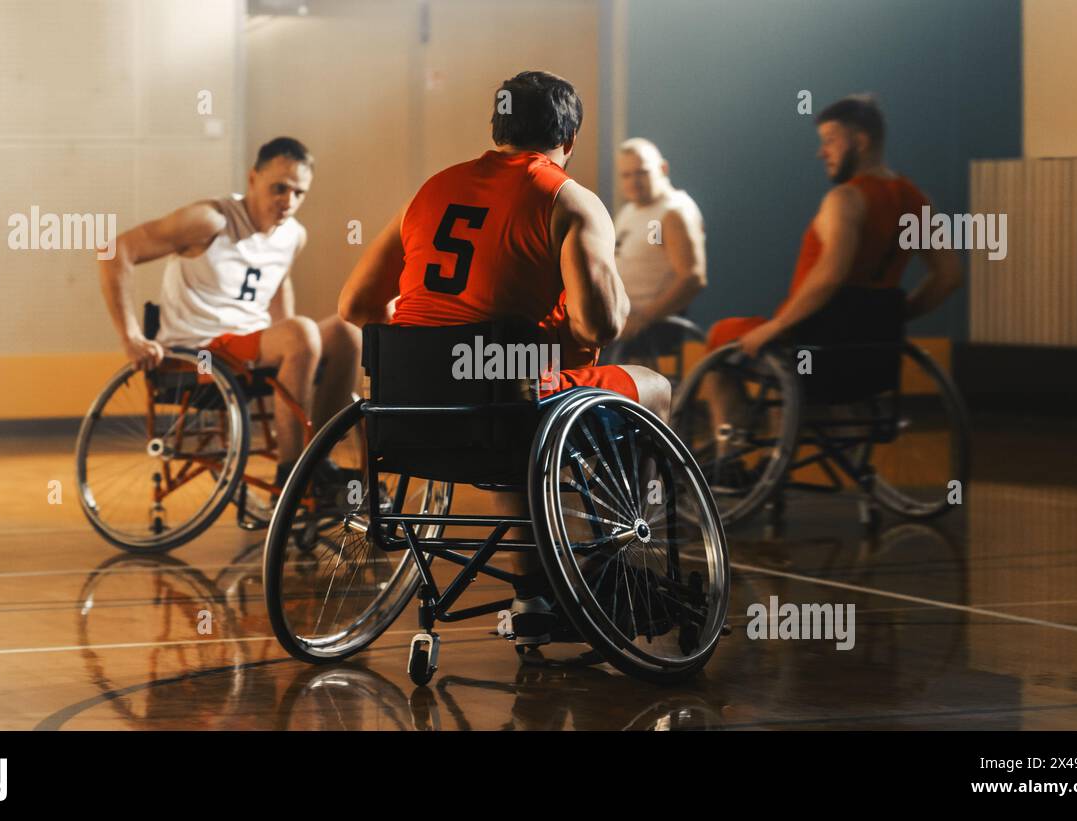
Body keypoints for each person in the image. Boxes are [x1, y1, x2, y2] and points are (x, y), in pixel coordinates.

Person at [338, 70, 670, 646]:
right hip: (505, 408)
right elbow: (601, 325)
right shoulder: (569, 199)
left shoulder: (430, 190)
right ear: (569, 139)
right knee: (654, 386)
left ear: (496, 129)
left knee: (506, 391)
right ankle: (620, 547)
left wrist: (432, 356)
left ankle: (534, 593)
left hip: (410, 415)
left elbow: (356, 304)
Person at [701, 95, 963, 455]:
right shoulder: (915, 200)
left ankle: (728, 451)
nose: (821, 152)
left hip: (811, 352)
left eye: (829, 141)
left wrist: (774, 328)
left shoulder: (846, 199)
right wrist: (893, 319)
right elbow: (949, 276)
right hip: (872, 358)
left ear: (860, 140)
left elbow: (830, 275)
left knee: (720, 336)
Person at [97, 137, 361, 489]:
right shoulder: (210, 220)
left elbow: (277, 284)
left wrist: (295, 346)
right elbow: (116, 251)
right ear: (252, 179)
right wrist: (131, 337)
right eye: (279, 188)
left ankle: (319, 455)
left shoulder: (293, 235)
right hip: (201, 352)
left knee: (348, 332)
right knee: (301, 333)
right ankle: (292, 474)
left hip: (249, 346)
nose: (289, 201)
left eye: (299, 193)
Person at [612, 138, 707, 342]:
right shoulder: (630, 210)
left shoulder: (674, 212)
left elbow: (693, 278)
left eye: (641, 172)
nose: (633, 182)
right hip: (614, 314)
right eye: (626, 175)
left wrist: (642, 318)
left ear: (662, 169)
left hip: (646, 327)